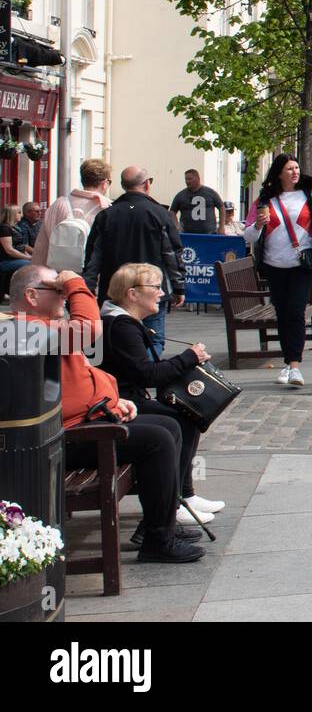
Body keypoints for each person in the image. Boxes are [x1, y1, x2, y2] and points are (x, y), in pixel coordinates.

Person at [15, 264, 203, 563]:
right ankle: (157, 538)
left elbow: (83, 379)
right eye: (58, 291)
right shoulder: (23, 329)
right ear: (32, 296)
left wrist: (112, 402)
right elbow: (89, 330)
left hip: (81, 423)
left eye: (67, 292)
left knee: (171, 424)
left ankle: (161, 526)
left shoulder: (41, 328)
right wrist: (76, 282)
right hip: (59, 440)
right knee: (159, 438)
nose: (66, 297)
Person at [100, 262, 225, 529]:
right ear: (132, 294)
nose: (161, 293)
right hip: (122, 403)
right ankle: (176, 500)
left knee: (187, 416)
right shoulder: (121, 326)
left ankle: (184, 494)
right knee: (181, 419)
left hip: (127, 398)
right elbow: (147, 375)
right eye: (155, 287)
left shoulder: (124, 322)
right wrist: (188, 358)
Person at [244, 154, 312, 387]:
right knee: (283, 312)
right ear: (279, 173)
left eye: (297, 167)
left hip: (301, 264)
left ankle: (295, 365)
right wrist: (258, 224)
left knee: (296, 310)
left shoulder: (311, 196)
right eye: (289, 168)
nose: (295, 172)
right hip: (273, 264)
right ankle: (288, 363)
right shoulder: (265, 199)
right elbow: (248, 235)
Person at [83, 166, 185, 359]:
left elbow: (93, 257)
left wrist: (87, 287)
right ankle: (140, 372)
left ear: (123, 186)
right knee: (154, 339)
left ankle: (126, 376)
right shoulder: (159, 213)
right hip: (150, 289)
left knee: (112, 338)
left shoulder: (106, 215)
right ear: (147, 184)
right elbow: (171, 253)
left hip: (114, 289)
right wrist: (179, 287)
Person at [33, 158, 112, 272]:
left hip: (59, 274)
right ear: (104, 183)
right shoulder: (107, 208)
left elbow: (42, 245)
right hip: (92, 276)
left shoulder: (59, 204)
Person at [170, 168, 223, 236]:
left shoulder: (210, 193)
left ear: (198, 178)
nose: (187, 181)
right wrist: (176, 226)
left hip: (209, 234)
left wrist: (221, 227)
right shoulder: (181, 195)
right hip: (187, 234)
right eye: (186, 179)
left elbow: (221, 207)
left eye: (190, 179)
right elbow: (172, 211)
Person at [0, 204, 32, 293]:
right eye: (18, 212)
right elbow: (9, 250)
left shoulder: (16, 227)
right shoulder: (4, 229)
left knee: (36, 263)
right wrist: (28, 258)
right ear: (12, 214)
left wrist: (32, 255)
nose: (21, 215)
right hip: (5, 261)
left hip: (14, 259)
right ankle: (21, 292)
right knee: (31, 265)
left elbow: (21, 246)